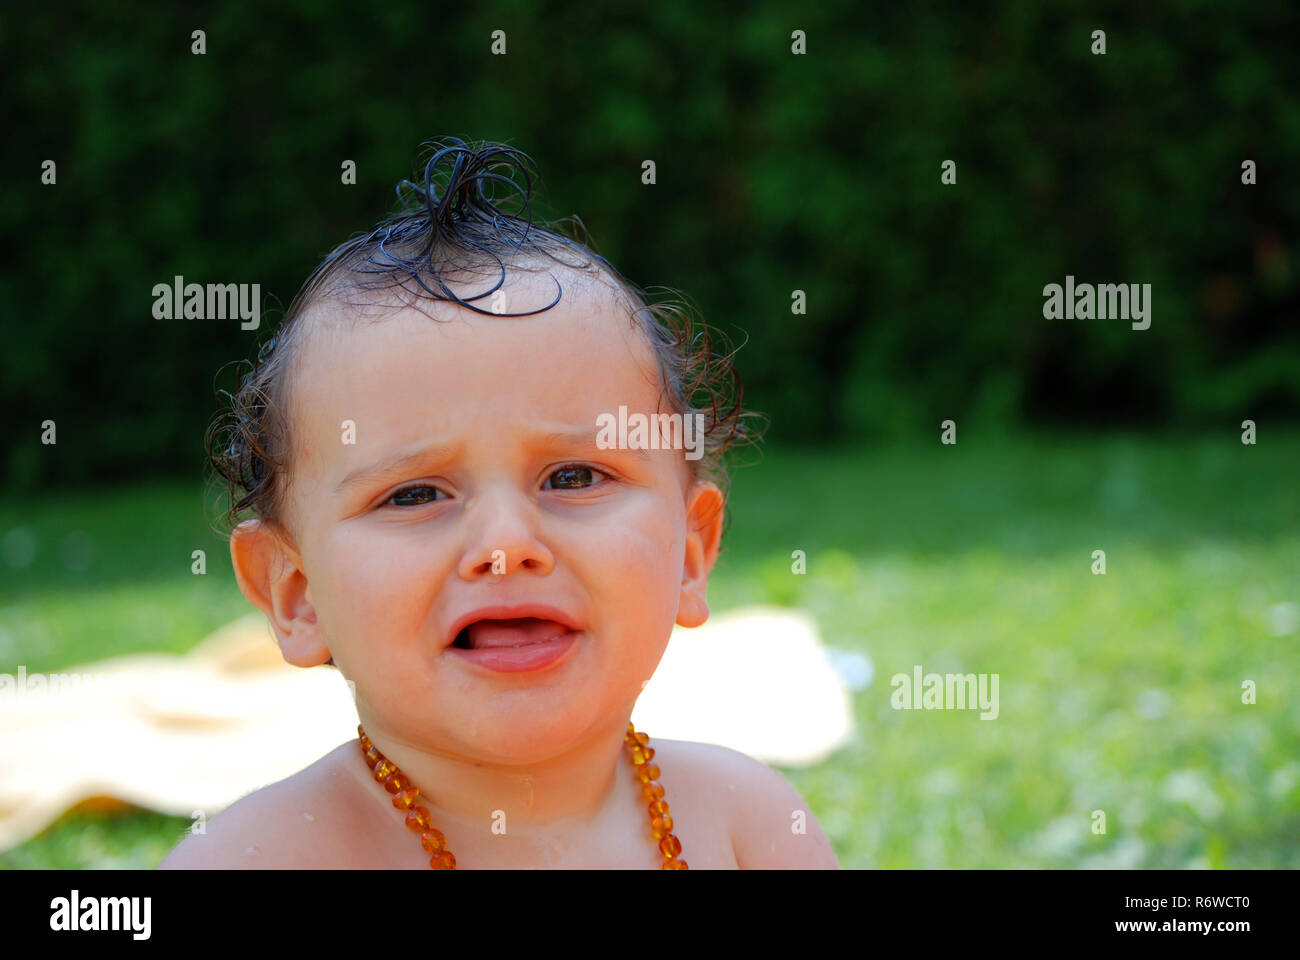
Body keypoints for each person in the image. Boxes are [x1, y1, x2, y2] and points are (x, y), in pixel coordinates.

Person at [159, 137, 838, 869]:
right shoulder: (261, 859)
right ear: (296, 595)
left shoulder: (748, 827)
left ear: (691, 551)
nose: (508, 542)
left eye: (574, 477)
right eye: (415, 494)